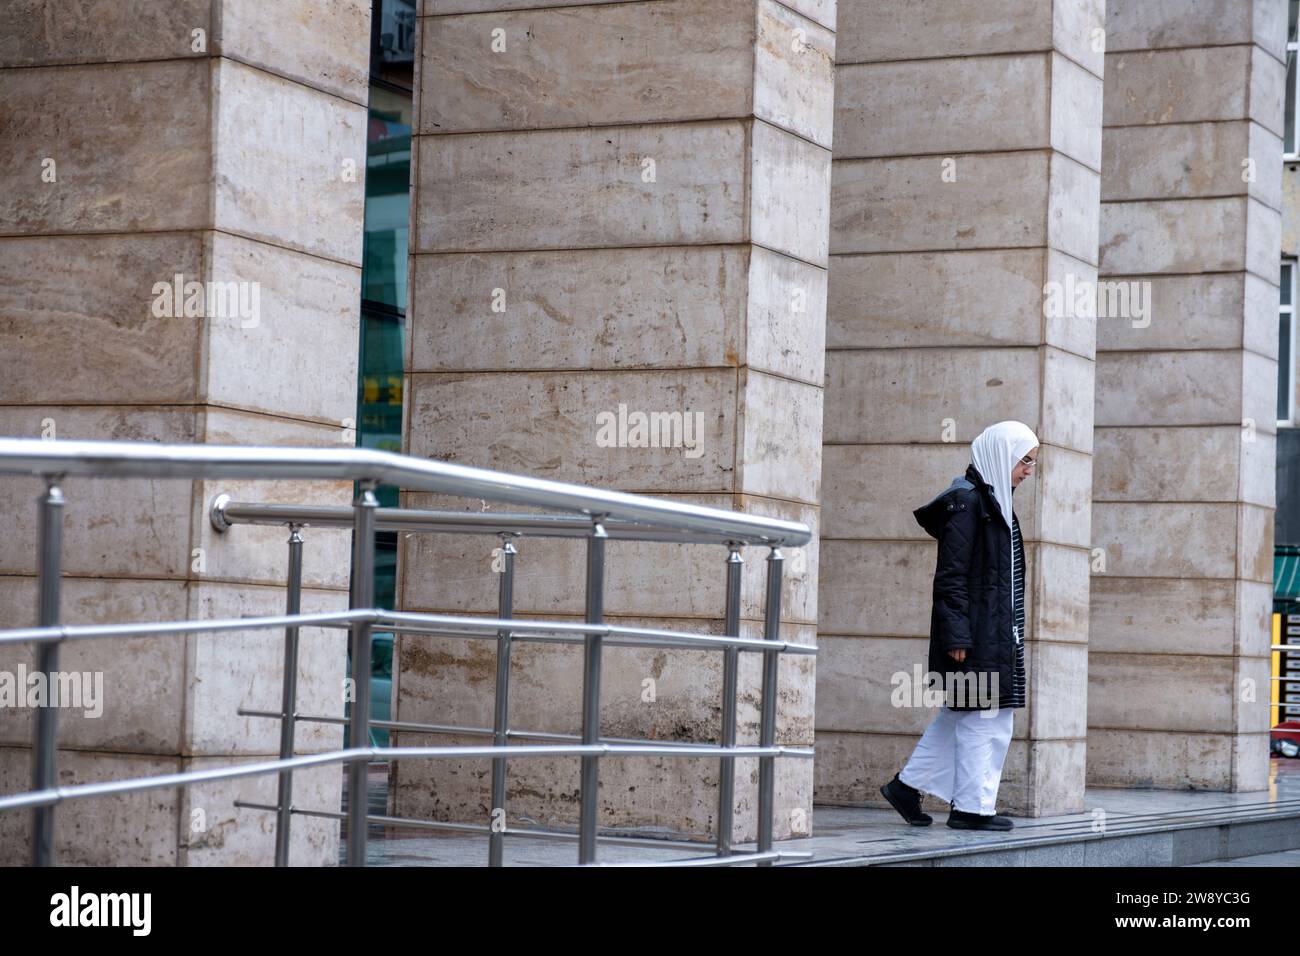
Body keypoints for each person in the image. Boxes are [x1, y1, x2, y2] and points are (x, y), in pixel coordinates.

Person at [879, 420, 1039, 831]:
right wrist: (957, 637)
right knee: (987, 719)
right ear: (1002, 457)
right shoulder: (968, 505)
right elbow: (950, 578)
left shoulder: (993, 503)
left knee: (962, 712)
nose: (1028, 470)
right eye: (1024, 460)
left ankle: (906, 786)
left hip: (995, 633)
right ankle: (971, 808)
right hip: (974, 637)